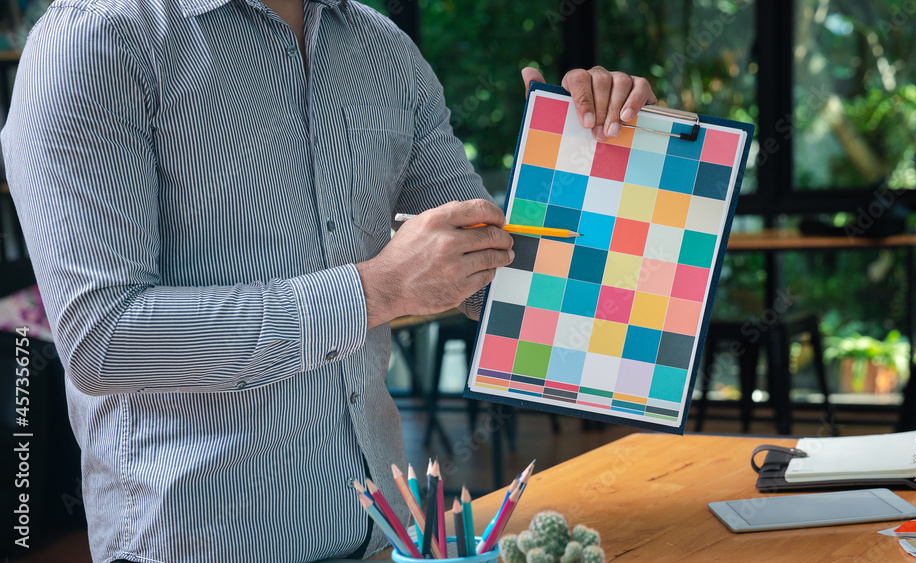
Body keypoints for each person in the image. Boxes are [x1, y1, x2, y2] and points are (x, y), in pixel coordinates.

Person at [1, 0, 656, 560]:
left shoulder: (384, 51)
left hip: (384, 538)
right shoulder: (94, 42)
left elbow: (500, 284)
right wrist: (375, 290)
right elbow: (101, 337)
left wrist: (593, 173)